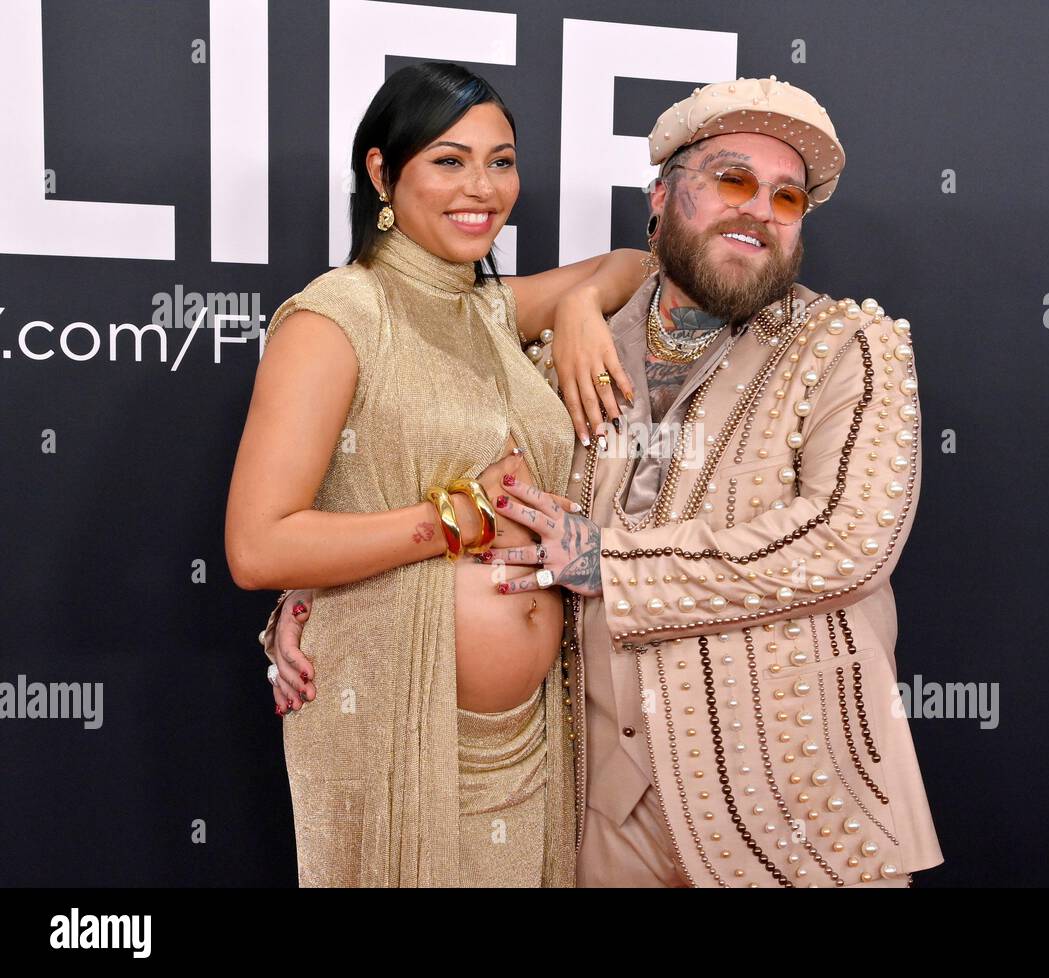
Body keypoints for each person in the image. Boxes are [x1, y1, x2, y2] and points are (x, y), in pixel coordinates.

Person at [271, 75, 945, 888]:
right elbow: (436, 480)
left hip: (787, 803)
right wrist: (319, 600)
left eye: (788, 198)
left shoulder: (851, 346)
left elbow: (845, 543)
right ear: (661, 195)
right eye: (732, 180)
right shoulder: (559, 353)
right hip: (593, 804)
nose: (759, 210)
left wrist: (604, 563)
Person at [225, 61, 647, 887]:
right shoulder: (337, 316)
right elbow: (257, 545)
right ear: (383, 171)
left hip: (534, 731)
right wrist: (459, 517)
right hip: (392, 718)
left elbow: (638, 263)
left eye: (501, 160)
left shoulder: (491, 309)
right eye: (449, 161)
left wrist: (574, 306)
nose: (482, 188)